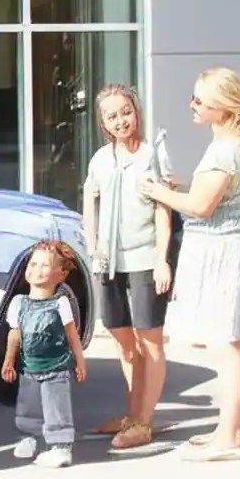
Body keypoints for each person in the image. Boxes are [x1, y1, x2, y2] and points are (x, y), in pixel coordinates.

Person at [140, 67, 240, 462]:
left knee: (227, 344)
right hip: (232, 247)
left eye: (198, 99)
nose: (191, 105)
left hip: (222, 251)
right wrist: (182, 191)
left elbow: (201, 206)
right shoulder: (234, 144)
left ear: (221, 105)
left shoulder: (225, 149)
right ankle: (230, 430)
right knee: (239, 342)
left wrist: (159, 191)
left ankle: (229, 438)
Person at [82, 84, 174, 449]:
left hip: (145, 259)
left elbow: (163, 210)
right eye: (111, 115)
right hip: (110, 263)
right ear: (103, 122)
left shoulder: (152, 156)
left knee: (149, 341)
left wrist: (162, 260)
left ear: (136, 111)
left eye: (125, 112)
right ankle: (132, 414)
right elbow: (91, 200)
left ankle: (144, 422)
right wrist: (93, 247)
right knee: (123, 340)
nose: (120, 120)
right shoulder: (101, 159)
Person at [2, 240, 88, 468]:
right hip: (29, 367)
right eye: (33, 264)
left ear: (61, 274)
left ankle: (60, 446)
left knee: (56, 405)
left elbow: (72, 335)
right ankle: (29, 438)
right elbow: (14, 334)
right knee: (28, 405)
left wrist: (80, 361)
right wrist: (9, 360)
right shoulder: (18, 303)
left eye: (45, 265)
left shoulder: (61, 303)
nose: (36, 270)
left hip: (57, 366)